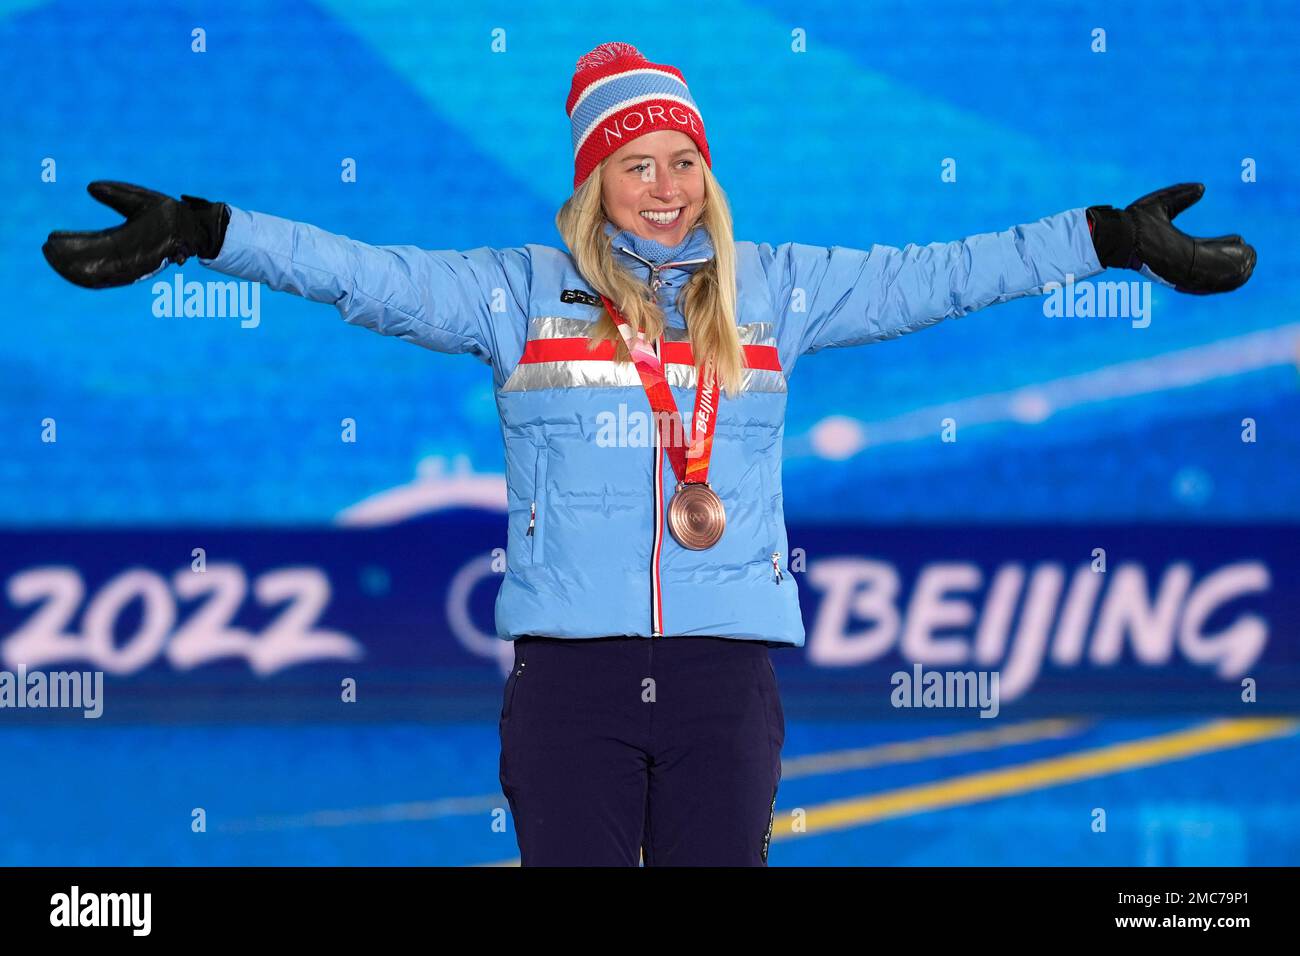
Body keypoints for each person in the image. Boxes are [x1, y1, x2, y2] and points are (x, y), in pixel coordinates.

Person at [42, 41, 1255, 867]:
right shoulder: (513, 293)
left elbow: (943, 273)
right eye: (637, 165)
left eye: (682, 162)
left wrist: (1102, 239)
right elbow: (361, 274)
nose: (665, 189)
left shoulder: (777, 287)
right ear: (594, 180)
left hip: (727, 680)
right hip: (567, 679)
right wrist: (207, 232)